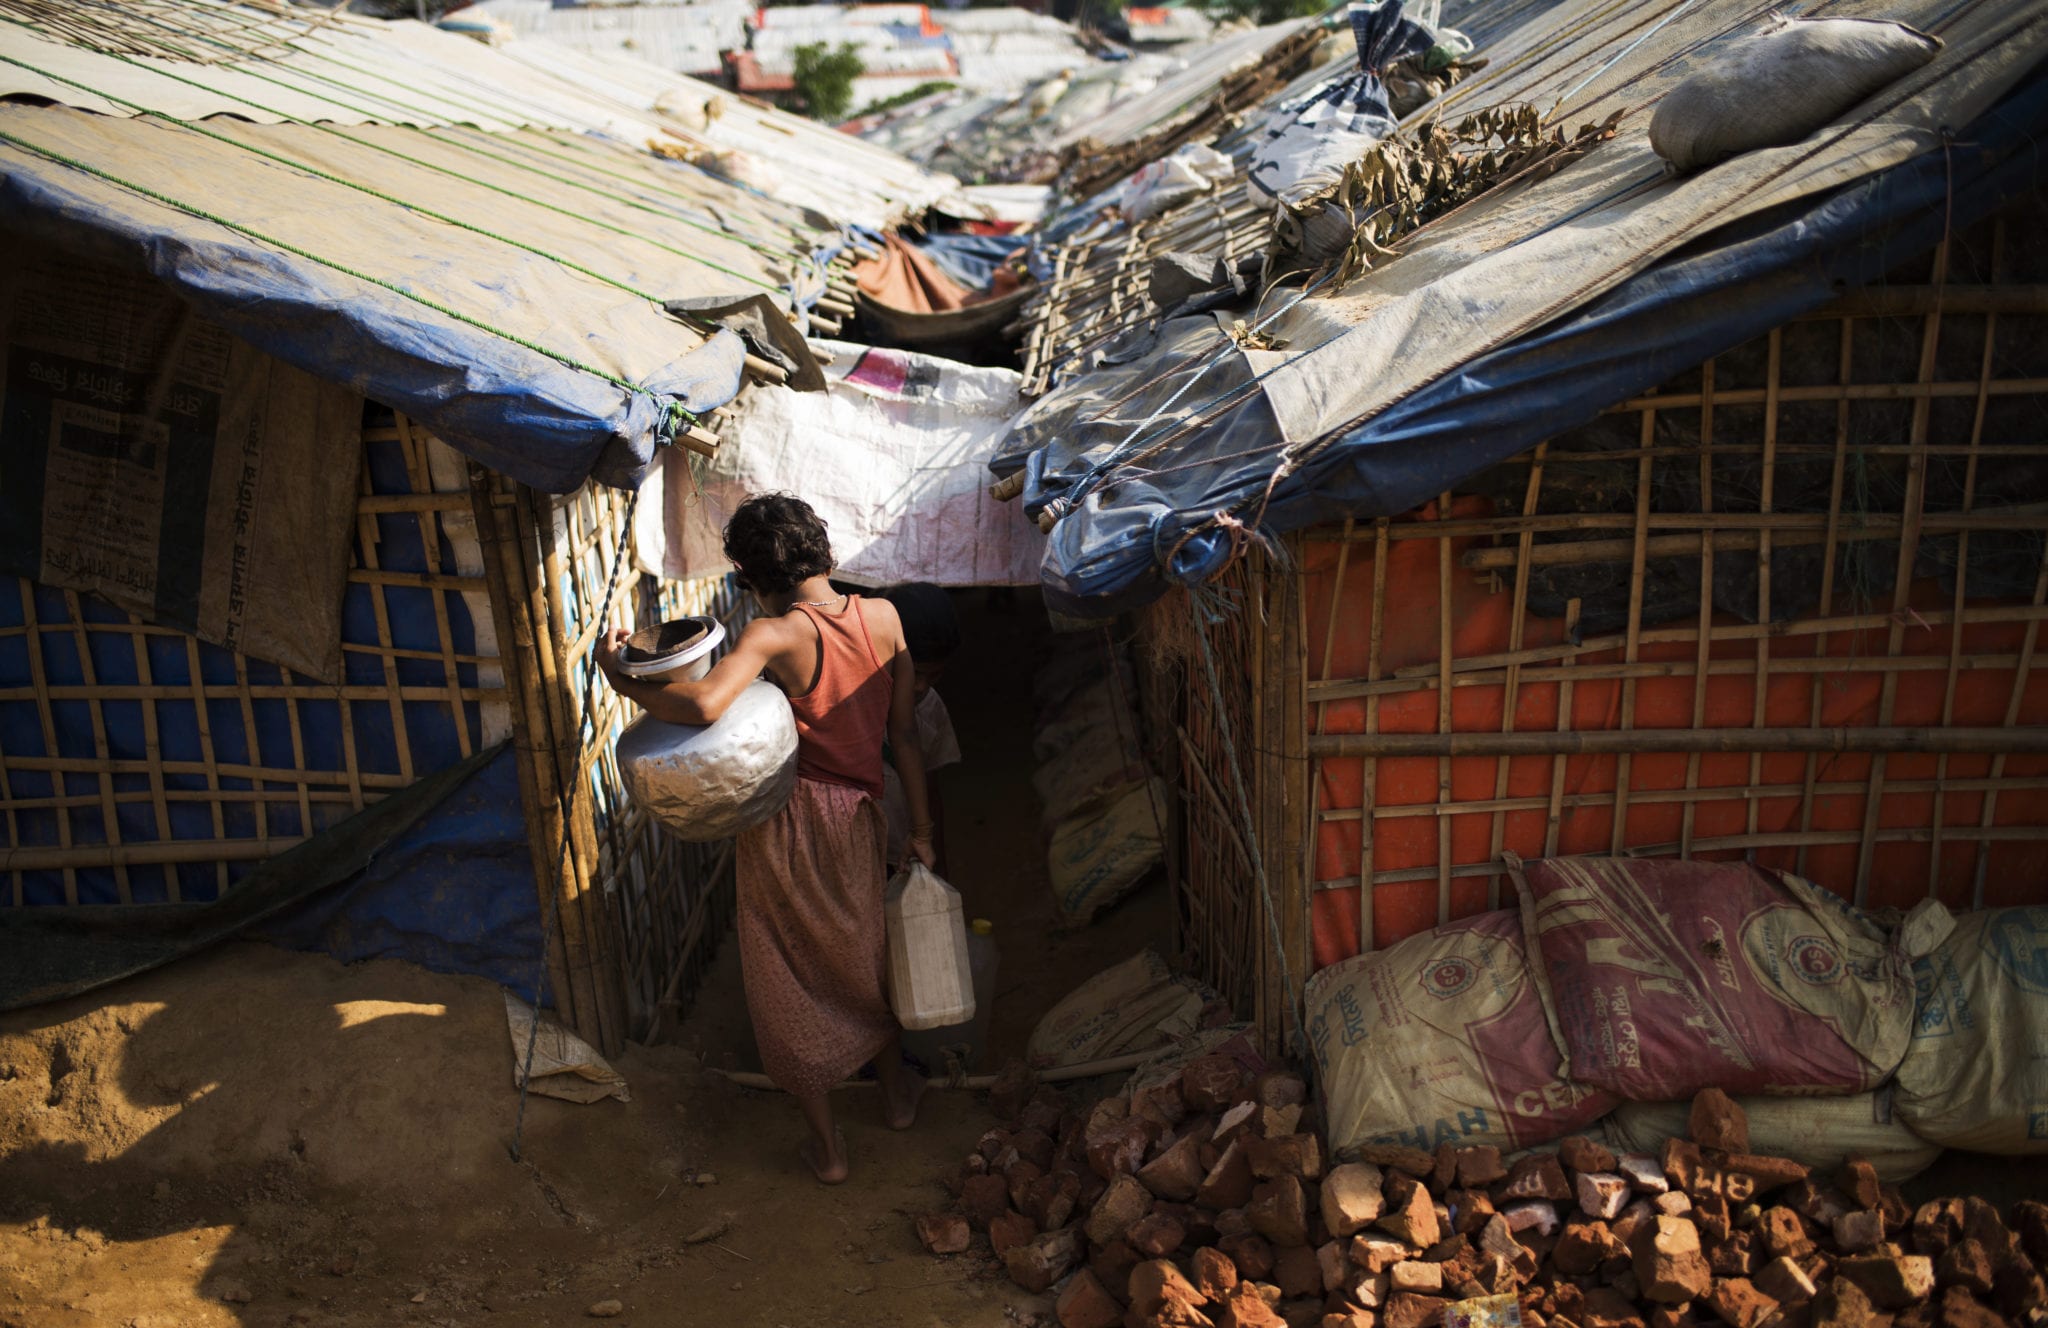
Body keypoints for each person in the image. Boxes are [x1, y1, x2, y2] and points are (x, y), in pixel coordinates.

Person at [595, 493, 933, 1185]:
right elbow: (905, 736)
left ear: (750, 575)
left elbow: (702, 704)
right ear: (824, 550)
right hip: (859, 815)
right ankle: (897, 1100)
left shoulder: (772, 635)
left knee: (786, 972)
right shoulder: (886, 617)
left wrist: (622, 679)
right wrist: (923, 831)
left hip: (785, 818)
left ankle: (829, 1151)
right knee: (863, 957)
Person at [878, 583, 961, 877]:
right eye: (914, 671)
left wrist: (939, 866)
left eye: (933, 675)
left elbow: (931, 788)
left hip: (906, 854)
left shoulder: (930, 708)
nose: (920, 686)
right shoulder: (855, 703)